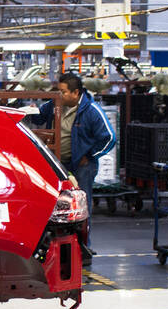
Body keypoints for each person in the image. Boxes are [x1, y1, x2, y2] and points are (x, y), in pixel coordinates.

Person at [32, 73, 116, 263]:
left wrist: (90, 155)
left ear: (75, 92)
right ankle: (57, 245)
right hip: (59, 164)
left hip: (82, 166)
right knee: (56, 205)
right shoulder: (55, 104)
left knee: (81, 206)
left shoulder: (92, 111)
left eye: (63, 92)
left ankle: (83, 246)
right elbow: (39, 118)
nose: (59, 96)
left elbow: (110, 138)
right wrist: (30, 111)